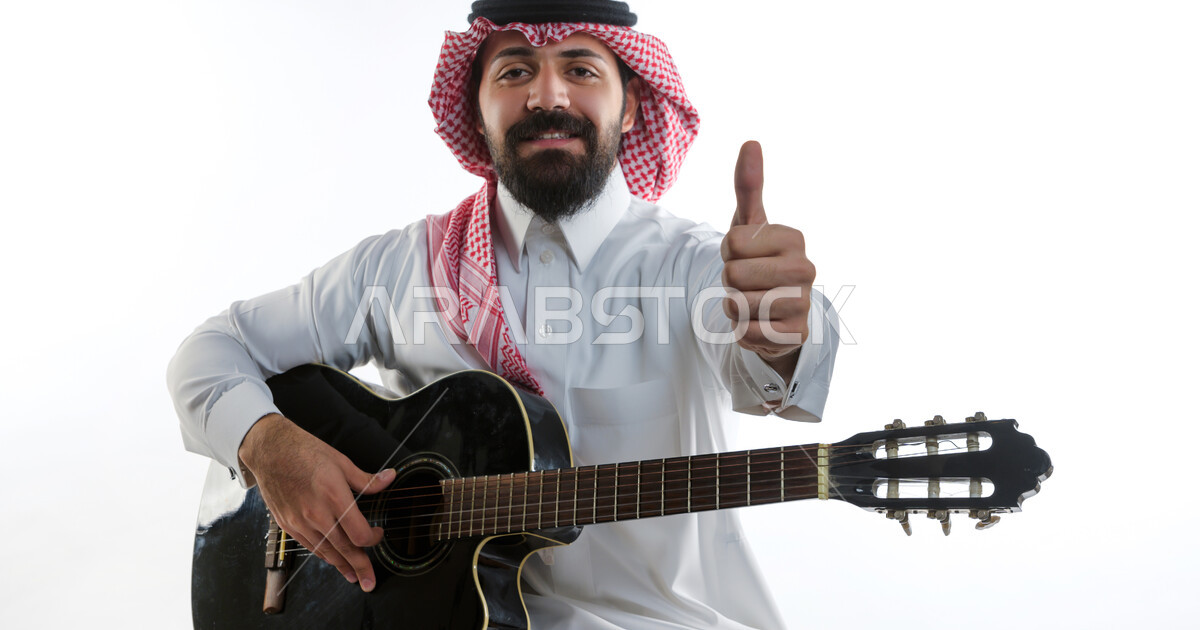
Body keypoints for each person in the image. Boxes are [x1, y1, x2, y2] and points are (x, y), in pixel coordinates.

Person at [168, 1, 838, 627]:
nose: (547, 97)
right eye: (516, 71)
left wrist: (778, 331)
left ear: (631, 104)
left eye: (580, 68)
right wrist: (267, 444)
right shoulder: (404, 268)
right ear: (477, 107)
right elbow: (212, 351)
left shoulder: (694, 268)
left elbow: (772, 367)